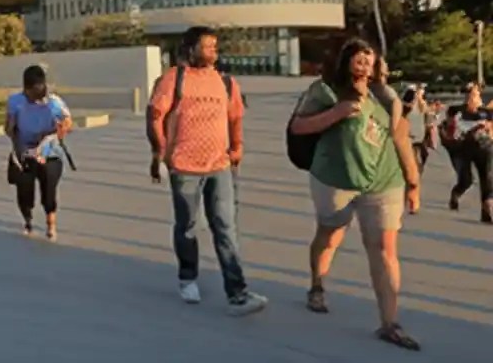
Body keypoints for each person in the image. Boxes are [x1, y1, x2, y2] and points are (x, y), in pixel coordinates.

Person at [290, 38, 421, 350]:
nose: (365, 60)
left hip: (383, 181)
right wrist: (337, 112)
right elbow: (299, 127)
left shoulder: (387, 97)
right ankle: (317, 285)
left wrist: (413, 182)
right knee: (330, 235)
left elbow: (401, 140)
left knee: (384, 248)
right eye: (358, 55)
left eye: (370, 56)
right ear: (345, 59)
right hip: (336, 178)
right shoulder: (325, 91)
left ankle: (390, 323)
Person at [146, 26, 267, 315]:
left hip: (220, 166)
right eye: (208, 46)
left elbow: (235, 117)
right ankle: (188, 277)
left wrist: (237, 146)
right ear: (191, 49)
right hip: (184, 166)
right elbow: (154, 116)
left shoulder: (225, 82)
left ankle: (237, 292)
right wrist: (160, 152)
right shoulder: (174, 79)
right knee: (187, 225)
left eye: (215, 46)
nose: (214, 51)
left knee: (225, 227)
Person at [5, 64, 72, 239]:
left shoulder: (53, 102)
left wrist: (61, 129)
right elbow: (9, 127)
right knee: (24, 190)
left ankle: (51, 223)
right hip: (24, 152)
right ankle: (27, 219)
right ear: (26, 88)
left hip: (50, 152)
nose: (38, 96)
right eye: (34, 92)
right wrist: (11, 129)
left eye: (41, 90)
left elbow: (68, 122)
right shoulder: (15, 101)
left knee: (49, 188)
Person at [441, 82, 492, 223]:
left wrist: (487, 127)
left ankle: (486, 210)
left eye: (475, 95)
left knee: (487, 177)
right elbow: (450, 128)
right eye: (469, 95)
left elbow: (491, 128)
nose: (472, 98)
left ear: (479, 98)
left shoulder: (486, 112)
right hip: (463, 149)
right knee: (466, 179)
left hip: (484, 147)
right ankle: (455, 194)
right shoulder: (456, 110)